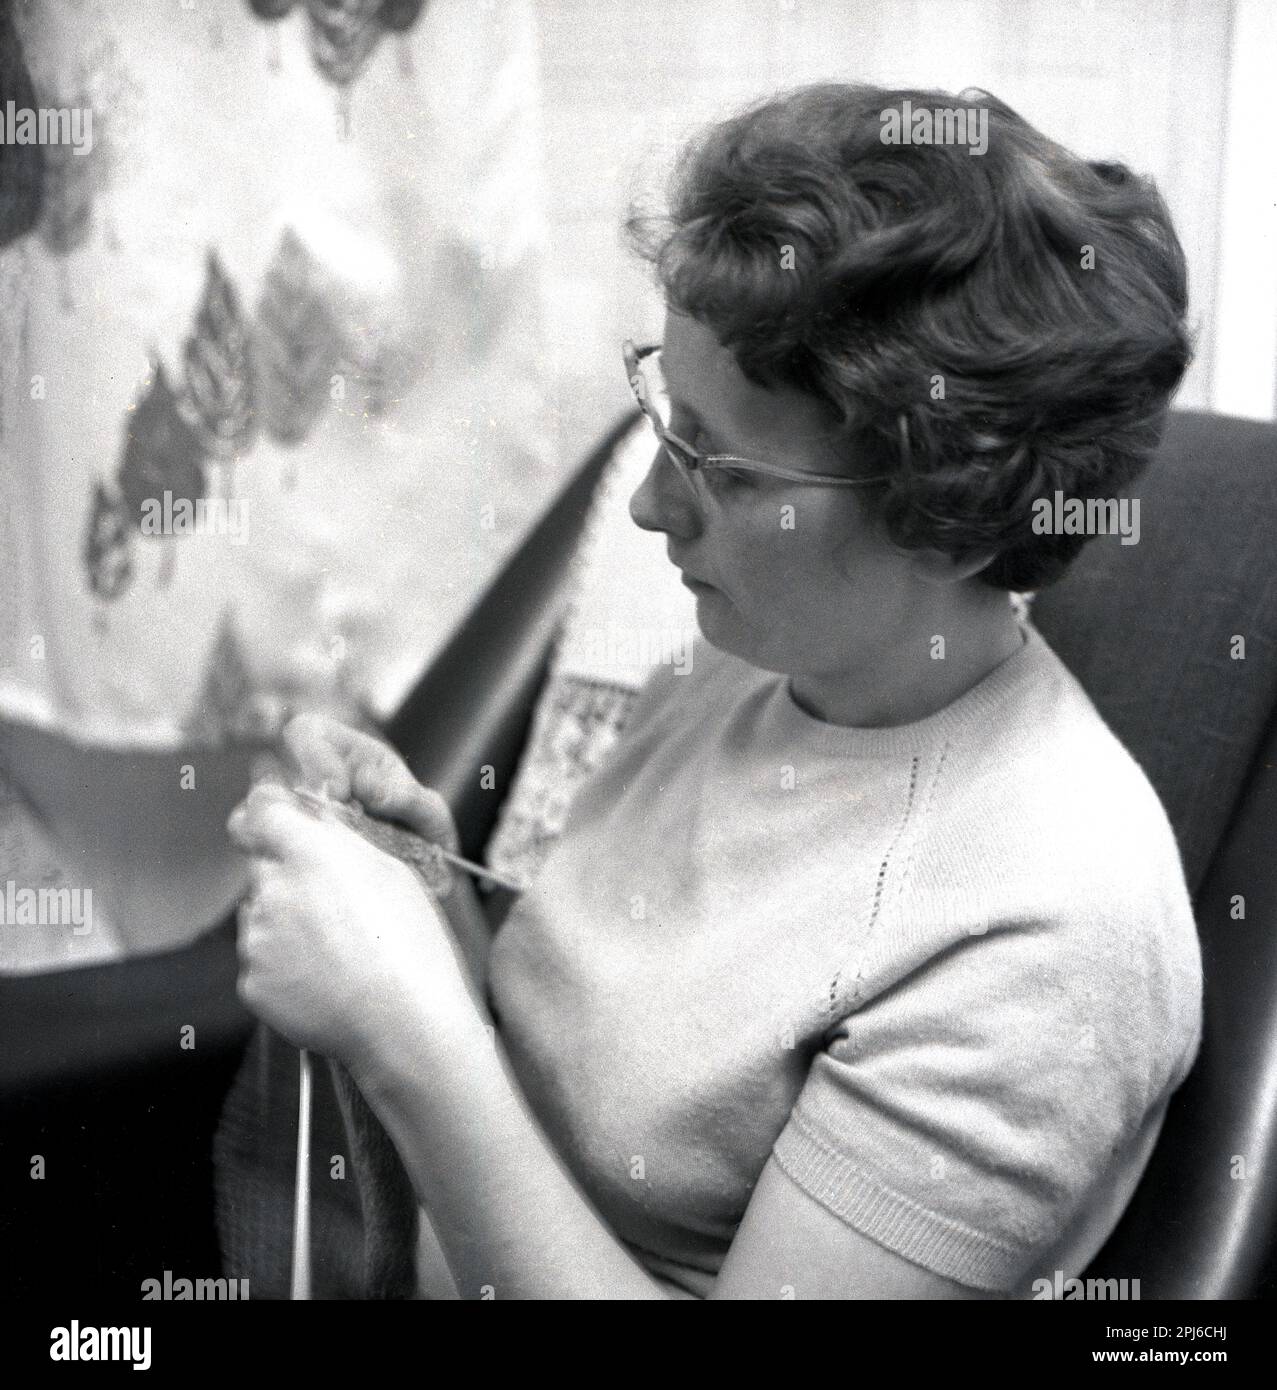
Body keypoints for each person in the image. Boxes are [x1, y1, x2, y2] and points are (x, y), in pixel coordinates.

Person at [228, 83, 1202, 1299]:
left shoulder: (1049, 937)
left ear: (948, 518)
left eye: (720, 469)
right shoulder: (744, 666)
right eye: (664, 420)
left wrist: (405, 1028)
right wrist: (426, 899)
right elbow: (570, 1076)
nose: (647, 504)